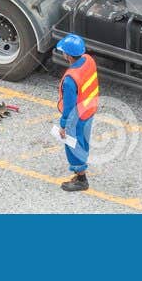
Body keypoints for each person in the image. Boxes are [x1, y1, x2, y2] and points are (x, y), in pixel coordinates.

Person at [54, 33, 98, 192]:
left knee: (73, 144)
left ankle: (81, 179)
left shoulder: (70, 79)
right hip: (90, 109)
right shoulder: (88, 60)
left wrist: (63, 125)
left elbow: (69, 107)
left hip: (77, 115)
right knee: (83, 140)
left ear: (67, 55)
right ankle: (80, 172)